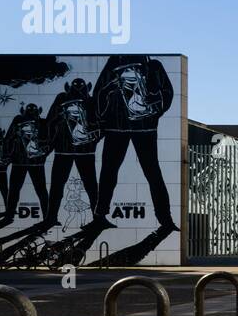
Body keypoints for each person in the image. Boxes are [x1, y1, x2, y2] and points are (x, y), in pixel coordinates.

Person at [92, 55, 176, 233]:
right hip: (116, 128)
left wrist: (150, 107)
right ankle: (100, 215)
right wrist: (111, 90)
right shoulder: (113, 63)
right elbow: (98, 94)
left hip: (144, 128)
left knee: (153, 172)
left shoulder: (153, 66)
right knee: (108, 171)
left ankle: (165, 218)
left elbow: (167, 93)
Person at [45, 78, 101, 228]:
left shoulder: (90, 102)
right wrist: (59, 121)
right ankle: (51, 217)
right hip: (64, 151)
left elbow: (100, 123)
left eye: (80, 89)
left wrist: (93, 137)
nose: (78, 91)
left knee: (91, 186)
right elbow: (50, 121)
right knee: (58, 186)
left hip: (84, 151)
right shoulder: (62, 98)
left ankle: (98, 218)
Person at [3, 102, 50, 222]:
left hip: (34, 161)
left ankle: (47, 216)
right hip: (21, 162)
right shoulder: (18, 121)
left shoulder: (42, 123)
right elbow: (9, 138)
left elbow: (49, 140)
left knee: (40, 190)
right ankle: (9, 215)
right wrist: (8, 154)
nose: (31, 113)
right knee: (15, 190)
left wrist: (44, 152)